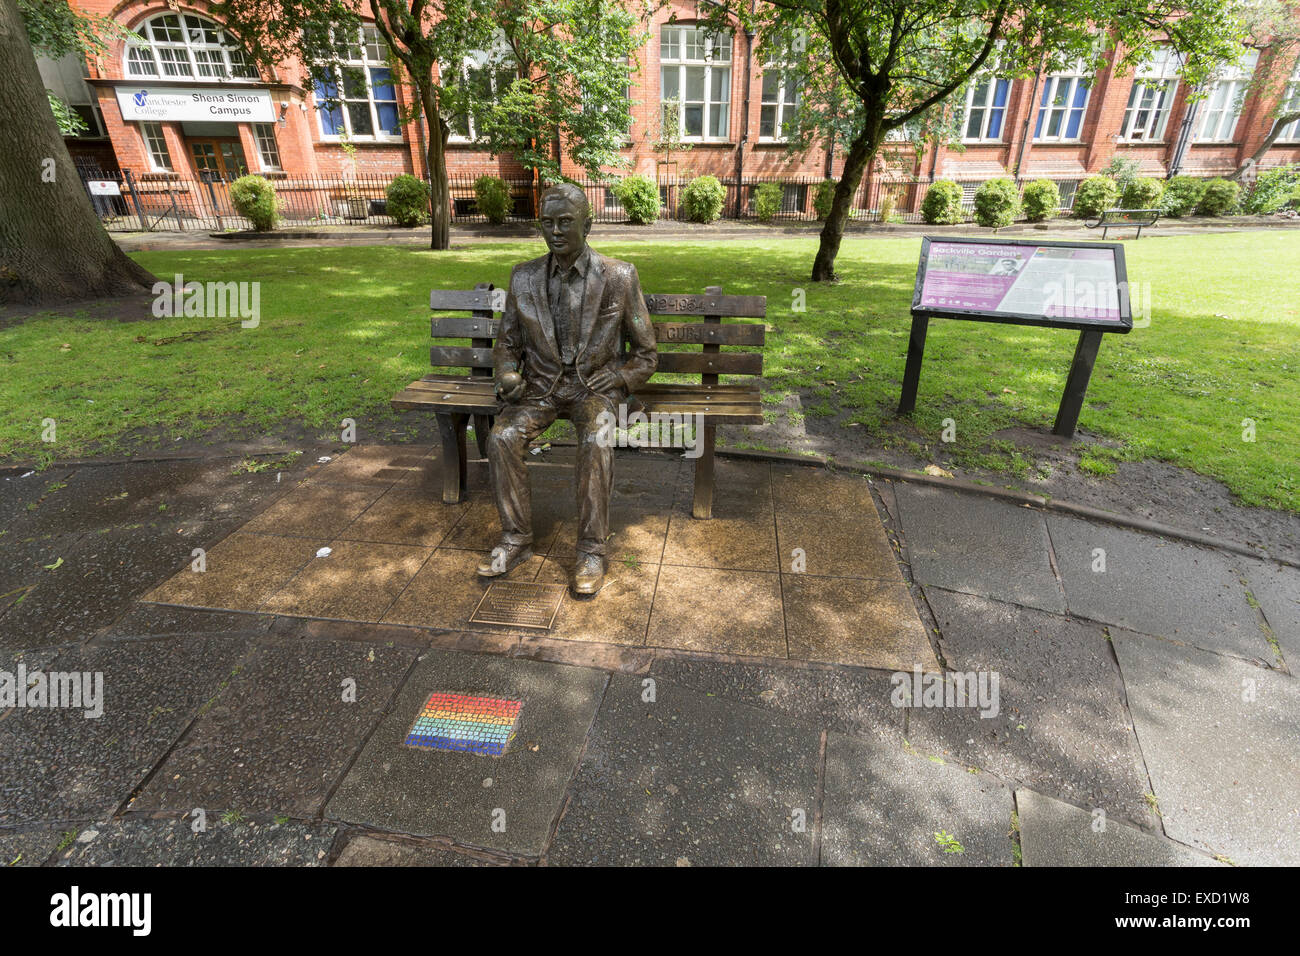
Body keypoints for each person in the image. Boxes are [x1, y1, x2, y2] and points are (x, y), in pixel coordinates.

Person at [477, 183, 658, 595]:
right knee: (502, 436)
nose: (555, 231)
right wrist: (507, 375)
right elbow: (507, 344)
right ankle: (516, 538)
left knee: (597, 437)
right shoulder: (523, 276)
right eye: (547, 223)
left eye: (565, 222)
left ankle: (592, 549)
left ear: (588, 224)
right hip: (540, 390)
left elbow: (647, 354)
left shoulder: (619, 276)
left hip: (593, 390)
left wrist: (620, 378)